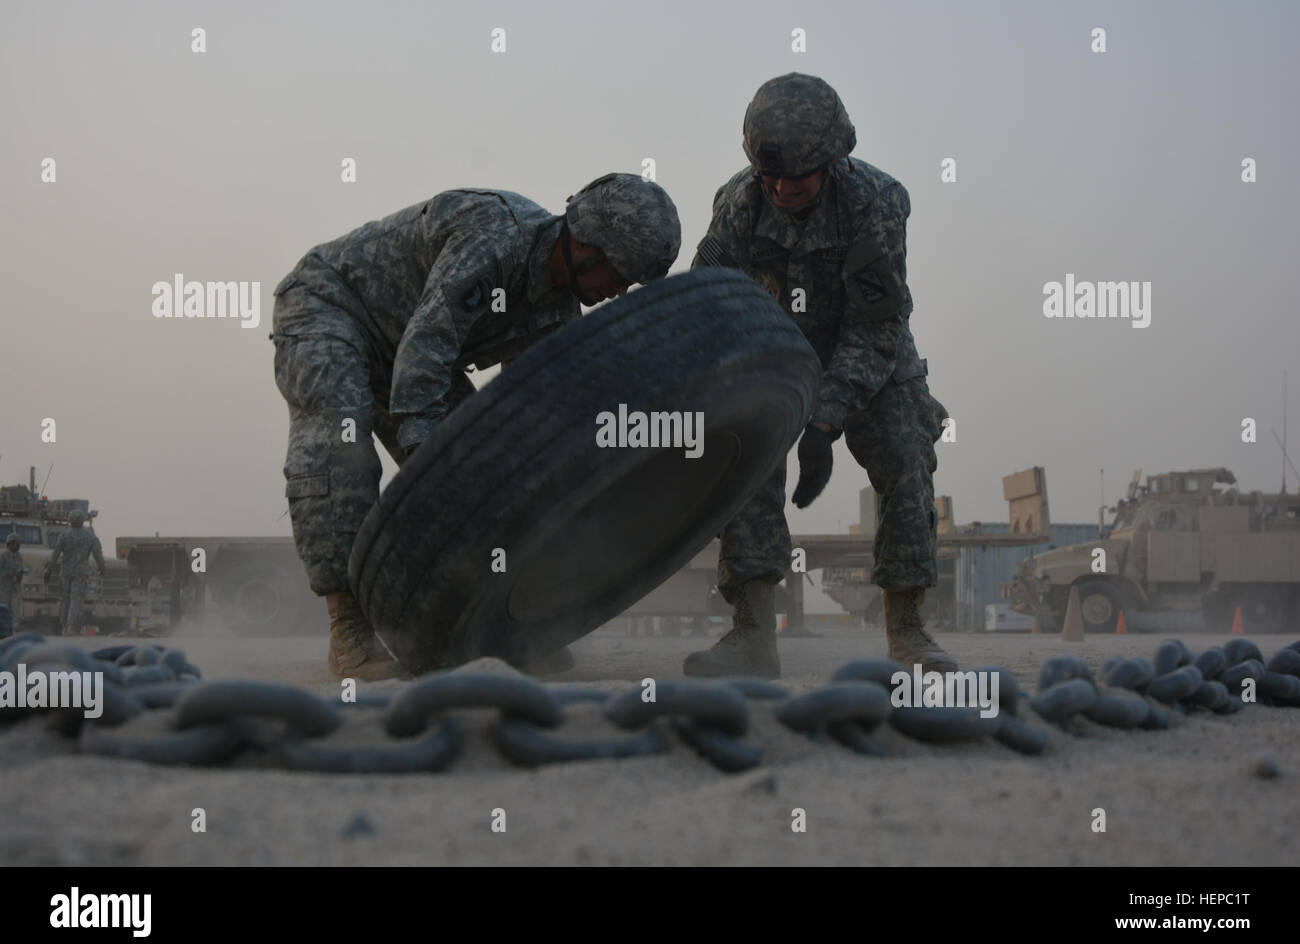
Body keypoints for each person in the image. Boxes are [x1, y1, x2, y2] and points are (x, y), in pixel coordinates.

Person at [271, 174, 681, 680]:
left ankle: (491, 630)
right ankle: (349, 630)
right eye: (617, 272)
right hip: (331, 306)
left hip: (406, 349)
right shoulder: (496, 239)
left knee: (483, 473)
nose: (617, 290)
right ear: (586, 241)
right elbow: (429, 341)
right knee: (341, 443)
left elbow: (527, 422)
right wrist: (426, 464)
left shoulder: (558, 314)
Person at [685, 73, 956, 678]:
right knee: (744, 452)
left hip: (868, 350)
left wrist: (824, 421)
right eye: (770, 176)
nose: (782, 189)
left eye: (798, 177)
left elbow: (875, 329)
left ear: (832, 160)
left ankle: (908, 632)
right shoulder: (738, 204)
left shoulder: (876, 203)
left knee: (907, 450)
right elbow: (708, 301)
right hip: (778, 350)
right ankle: (752, 633)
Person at [49, 511, 105, 636]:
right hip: (80, 573)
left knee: (65, 599)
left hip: (66, 572)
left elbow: (55, 553)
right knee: (76, 599)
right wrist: (102, 566)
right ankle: (71, 626)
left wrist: (49, 569)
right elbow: (97, 553)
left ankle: (64, 625)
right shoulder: (89, 536)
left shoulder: (64, 535)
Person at [0, 532, 26, 629]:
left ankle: (15, 624)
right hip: (5, 586)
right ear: (10, 544)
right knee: (4, 606)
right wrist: (10, 573)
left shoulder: (19, 556)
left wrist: (20, 574)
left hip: (15, 586)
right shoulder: (3, 556)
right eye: (16, 543)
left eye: (19, 544)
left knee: (16, 606)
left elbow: (20, 568)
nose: (18, 546)